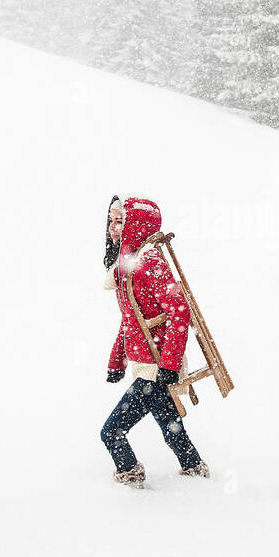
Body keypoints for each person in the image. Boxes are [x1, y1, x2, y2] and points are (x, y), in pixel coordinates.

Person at [100, 196, 209, 487]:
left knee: (111, 432)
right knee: (172, 430)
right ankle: (196, 472)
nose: (113, 226)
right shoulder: (127, 265)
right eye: (110, 220)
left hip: (156, 366)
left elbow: (179, 310)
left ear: (135, 224)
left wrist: (170, 365)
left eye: (120, 220)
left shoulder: (148, 260)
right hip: (146, 362)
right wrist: (116, 362)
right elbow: (130, 320)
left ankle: (132, 478)